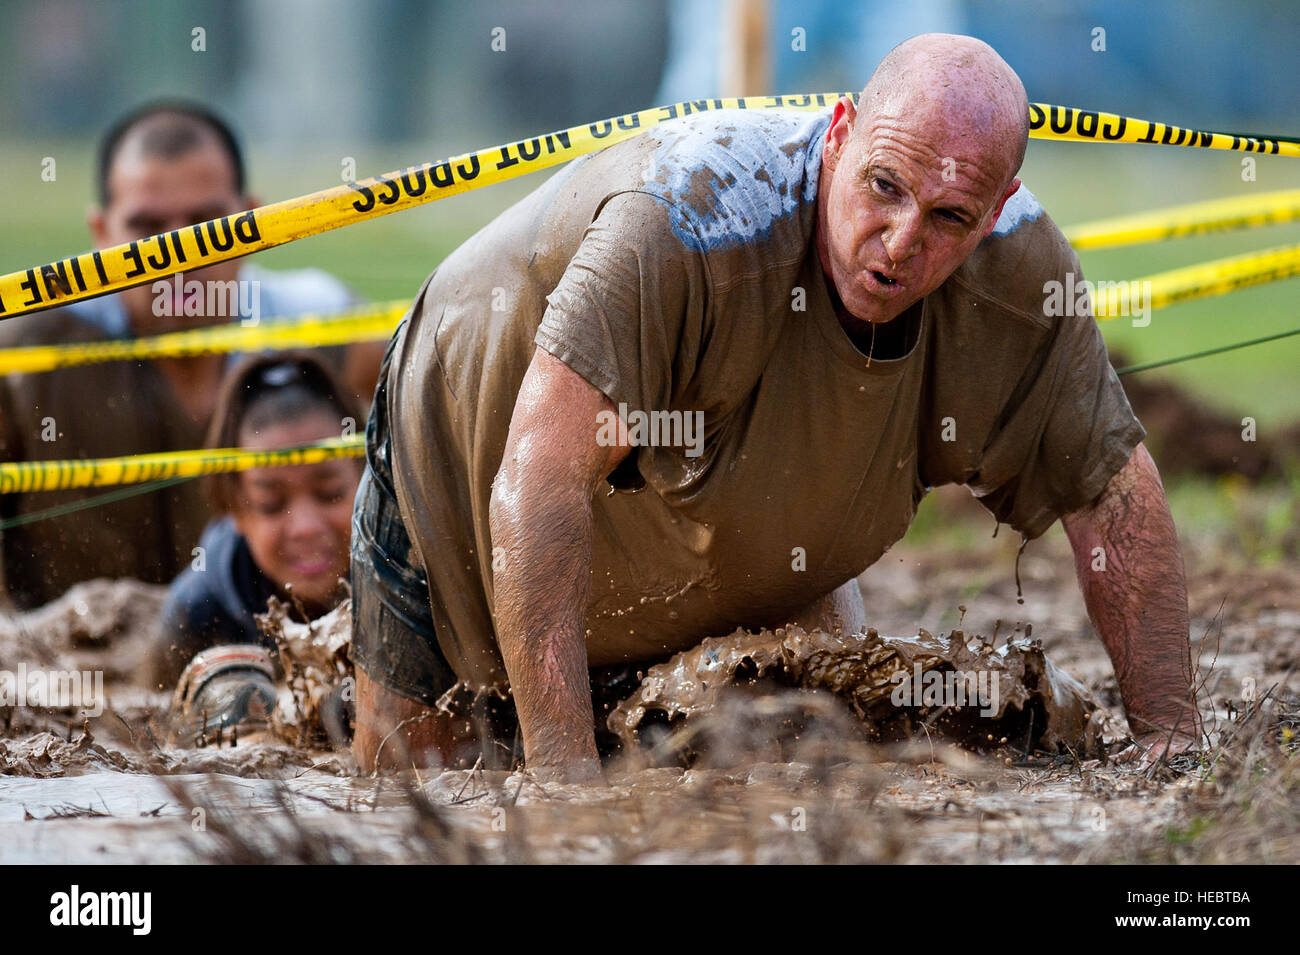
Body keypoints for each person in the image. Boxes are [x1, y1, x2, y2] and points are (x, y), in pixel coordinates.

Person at [350, 34, 1202, 777]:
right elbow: (536, 482)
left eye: (949, 217)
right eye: (883, 187)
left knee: (800, 755)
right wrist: (564, 784)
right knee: (416, 780)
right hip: (461, 426)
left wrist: (1172, 743)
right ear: (838, 136)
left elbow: (1115, 495)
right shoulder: (685, 225)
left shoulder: (1021, 280)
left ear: (997, 212)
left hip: (731, 504)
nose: (901, 243)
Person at [0, 101, 382, 609]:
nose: (181, 256)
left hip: (286, 669)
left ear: (254, 221)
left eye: (207, 223)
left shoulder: (336, 331)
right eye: (148, 229)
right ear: (101, 235)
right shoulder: (25, 356)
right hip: (64, 672)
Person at [148, 353, 362, 690]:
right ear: (233, 507)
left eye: (329, 493)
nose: (305, 526)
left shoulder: (409, 583)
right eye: (271, 504)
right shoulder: (196, 613)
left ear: (367, 482)